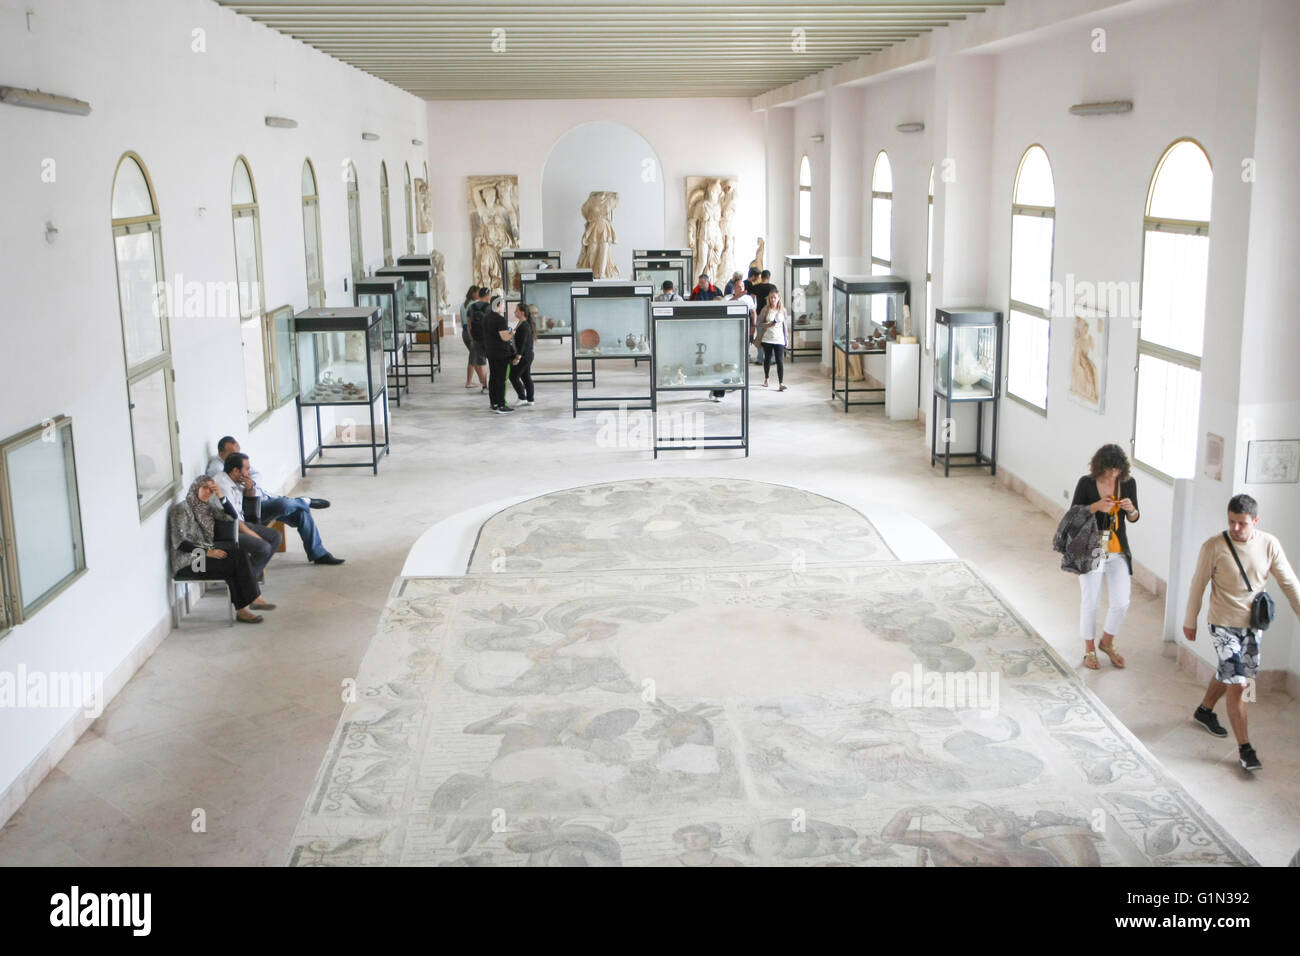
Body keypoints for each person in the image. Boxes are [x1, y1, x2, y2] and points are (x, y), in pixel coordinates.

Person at [1183, 494, 1300, 772]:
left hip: (1253, 625)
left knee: (1231, 670)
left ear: (1255, 521)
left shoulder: (1269, 544)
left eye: (1242, 523)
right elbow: (1197, 585)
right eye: (1231, 522)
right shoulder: (1214, 546)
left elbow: (1289, 582)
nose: (1235, 528)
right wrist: (1191, 619)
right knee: (1239, 683)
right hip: (1222, 623)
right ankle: (1245, 749)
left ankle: (1205, 710)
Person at [205, 437, 343, 565]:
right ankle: (304, 501)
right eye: (232, 453)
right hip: (248, 511)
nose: (237, 454)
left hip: (259, 499)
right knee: (283, 505)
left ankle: (318, 553)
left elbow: (256, 476)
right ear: (222, 454)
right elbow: (235, 506)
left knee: (301, 513)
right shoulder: (218, 471)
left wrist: (251, 485)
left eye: (238, 451)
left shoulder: (239, 464)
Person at [1071, 444, 1139, 670]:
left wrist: (1130, 510)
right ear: (1099, 467)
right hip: (1092, 547)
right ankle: (1089, 650)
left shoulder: (1128, 484)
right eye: (1108, 470)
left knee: (1122, 601)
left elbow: (1135, 517)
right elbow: (1074, 515)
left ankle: (1107, 642)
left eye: (1116, 471)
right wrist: (1096, 506)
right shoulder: (1086, 483)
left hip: (1117, 549)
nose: (1112, 475)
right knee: (1091, 600)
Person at [168, 476, 271, 623]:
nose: (208, 492)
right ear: (195, 488)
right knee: (233, 562)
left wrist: (221, 496)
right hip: (189, 562)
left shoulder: (206, 508)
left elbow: (233, 517)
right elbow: (180, 543)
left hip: (204, 556)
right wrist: (207, 552)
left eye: (211, 489)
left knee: (238, 556)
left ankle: (245, 607)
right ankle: (249, 603)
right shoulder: (181, 510)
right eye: (204, 488)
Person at [211, 453, 284, 579]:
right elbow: (234, 522)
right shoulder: (223, 486)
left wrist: (249, 489)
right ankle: (247, 581)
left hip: (240, 523)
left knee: (275, 536)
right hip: (225, 531)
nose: (249, 472)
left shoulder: (235, 479)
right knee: (263, 547)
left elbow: (247, 504)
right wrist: (257, 538)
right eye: (247, 469)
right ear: (235, 471)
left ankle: (247, 577)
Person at [484, 295, 516, 413]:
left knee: (493, 377)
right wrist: (512, 333)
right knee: (501, 379)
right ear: (497, 305)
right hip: (501, 353)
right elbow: (504, 337)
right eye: (502, 304)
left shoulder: (486, 317)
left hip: (490, 352)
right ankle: (501, 405)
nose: (504, 307)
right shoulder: (500, 319)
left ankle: (494, 403)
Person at [757, 289, 790, 390]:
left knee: (780, 360)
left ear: (778, 298)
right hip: (767, 338)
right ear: (769, 299)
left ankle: (781, 383)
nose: (773, 299)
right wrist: (769, 324)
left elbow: (785, 326)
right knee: (767, 359)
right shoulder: (765, 309)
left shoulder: (783, 310)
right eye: (771, 297)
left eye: (775, 297)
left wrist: (786, 338)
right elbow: (760, 324)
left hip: (779, 339)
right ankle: (766, 378)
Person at [461, 284, 488, 391]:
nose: (478, 294)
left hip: (465, 333)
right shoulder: (474, 305)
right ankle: (478, 382)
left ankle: (479, 381)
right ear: (473, 293)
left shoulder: (464, 304)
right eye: (477, 292)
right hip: (472, 333)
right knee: (474, 360)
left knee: (474, 358)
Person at [509, 302, 536, 407]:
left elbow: (523, 343)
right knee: (526, 377)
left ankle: (522, 397)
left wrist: (518, 357)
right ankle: (530, 399)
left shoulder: (524, 326)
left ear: (522, 312)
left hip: (525, 356)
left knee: (513, 376)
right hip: (527, 355)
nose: (514, 312)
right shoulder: (522, 323)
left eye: (516, 310)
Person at [466, 286, 492, 393]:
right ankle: (491, 385)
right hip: (487, 339)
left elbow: (468, 325)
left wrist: (472, 337)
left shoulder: (471, 307)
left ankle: (484, 386)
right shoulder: (489, 307)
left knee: (481, 363)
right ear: (487, 295)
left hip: (476, 338)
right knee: (492, 362)